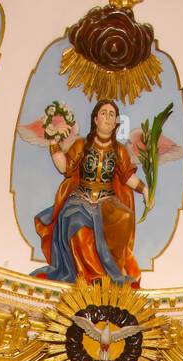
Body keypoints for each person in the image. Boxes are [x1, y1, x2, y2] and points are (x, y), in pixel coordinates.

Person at [34, 99, 147, 285]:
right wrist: (54, 140)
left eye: (112, 114)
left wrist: (145, 189)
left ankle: (115, 271)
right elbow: (65, 167)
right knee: (75, 220)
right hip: (81, 198)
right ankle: (94, 277)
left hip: (107, 201)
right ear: (95, 119)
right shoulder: (82, 145)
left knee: (125, 218)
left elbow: (127, 177)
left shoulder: (119, 150)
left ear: (116, 122)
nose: (108, 118)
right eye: (104, 113)